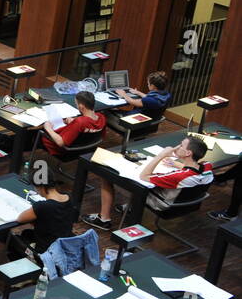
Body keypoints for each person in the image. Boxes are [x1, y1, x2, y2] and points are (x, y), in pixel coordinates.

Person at [85, 136, 213, 229]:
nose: (177, 146)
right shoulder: (207, 167)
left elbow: (144, 176)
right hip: (186, 202)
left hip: (161, 202)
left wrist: (161, 155)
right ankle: (130, 207)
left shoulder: (179, 177)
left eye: (181, 145)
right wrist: (177, 164)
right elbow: (192, 170)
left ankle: (104, 218)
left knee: (108, 176)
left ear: (188, 153)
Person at [14, 171, 76, 257]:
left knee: (11, 239)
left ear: (41, 187)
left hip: (47, 251)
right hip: (64, 245)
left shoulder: (42, 206)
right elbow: (54, 218)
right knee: (27, 233)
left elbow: (20, 219)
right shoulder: (68, 197)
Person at [40, 90, 106, 156]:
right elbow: (95, 132)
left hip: (66, 151)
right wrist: (74, 122)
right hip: (86, 149)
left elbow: (60, 143)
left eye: (76, 104)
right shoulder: (102, 118)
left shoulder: (80, 122)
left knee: (37, 134)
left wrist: (48, 128)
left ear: (81, 107)